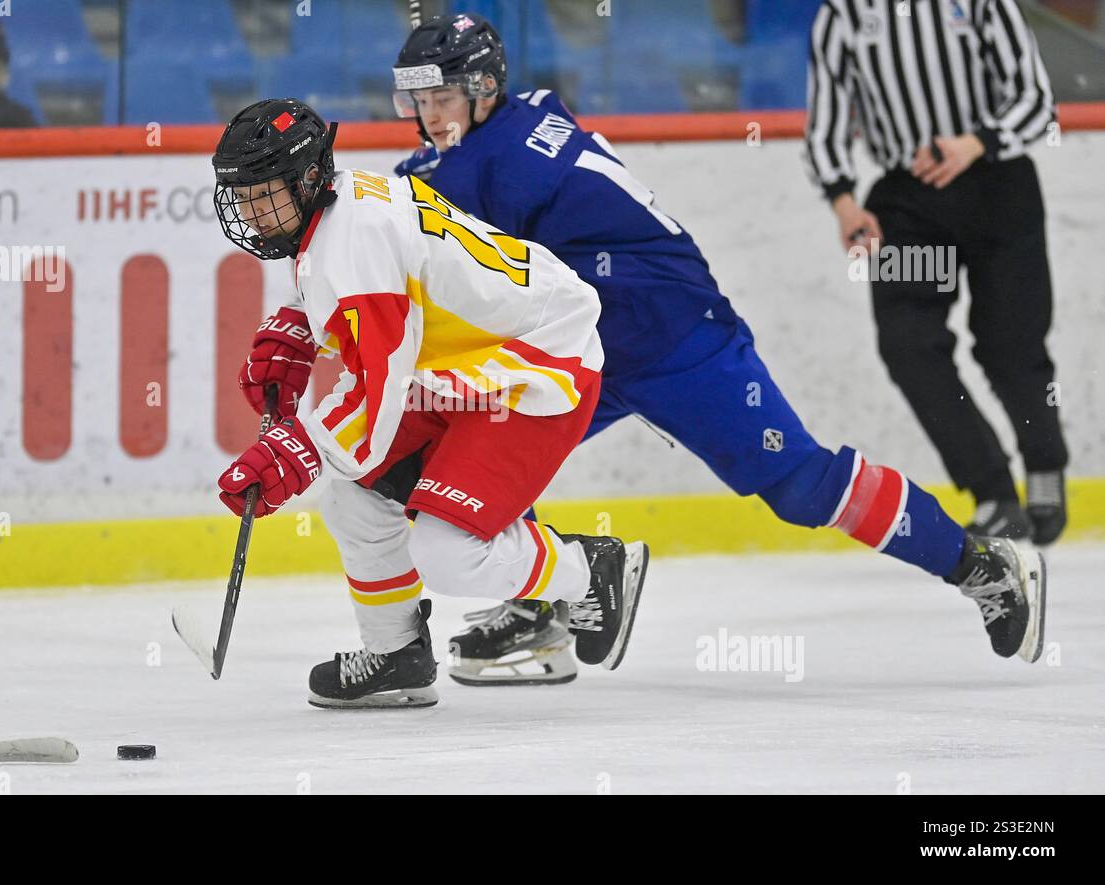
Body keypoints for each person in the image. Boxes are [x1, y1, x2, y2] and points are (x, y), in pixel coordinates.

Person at [373, 13, 1046, 684]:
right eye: (421, 101)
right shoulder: (519, 122)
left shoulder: (494, 168)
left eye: (443, 98)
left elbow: (417, 245)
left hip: (670, 335)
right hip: (579, 345)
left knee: (800, 484)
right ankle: (543, 606)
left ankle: (980, 563)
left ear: (485, 88)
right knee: (460, 443)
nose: (431, 115)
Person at [212, 98, 649, 708]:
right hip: (460, 368)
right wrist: (300, 325)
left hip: (536, 366)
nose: (253, 214)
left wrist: (296, 450)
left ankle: (590, 568)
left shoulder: (351, 239)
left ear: (308, 177)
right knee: (350, 490)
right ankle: (396, 654)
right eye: (244, 197)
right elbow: (395, 289)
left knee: (447, 554)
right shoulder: (338, 205)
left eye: (265, 195)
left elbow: (377, 386)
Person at [804, 0, 1067, 544]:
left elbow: (1035, 98)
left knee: (1010, 341)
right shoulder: (844, 14)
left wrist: (976, 142)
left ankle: (1043, 460)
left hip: (998, 184)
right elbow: (825, 124)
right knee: (908, 343)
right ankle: (991, 491)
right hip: (908, 202)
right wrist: (845, 202)